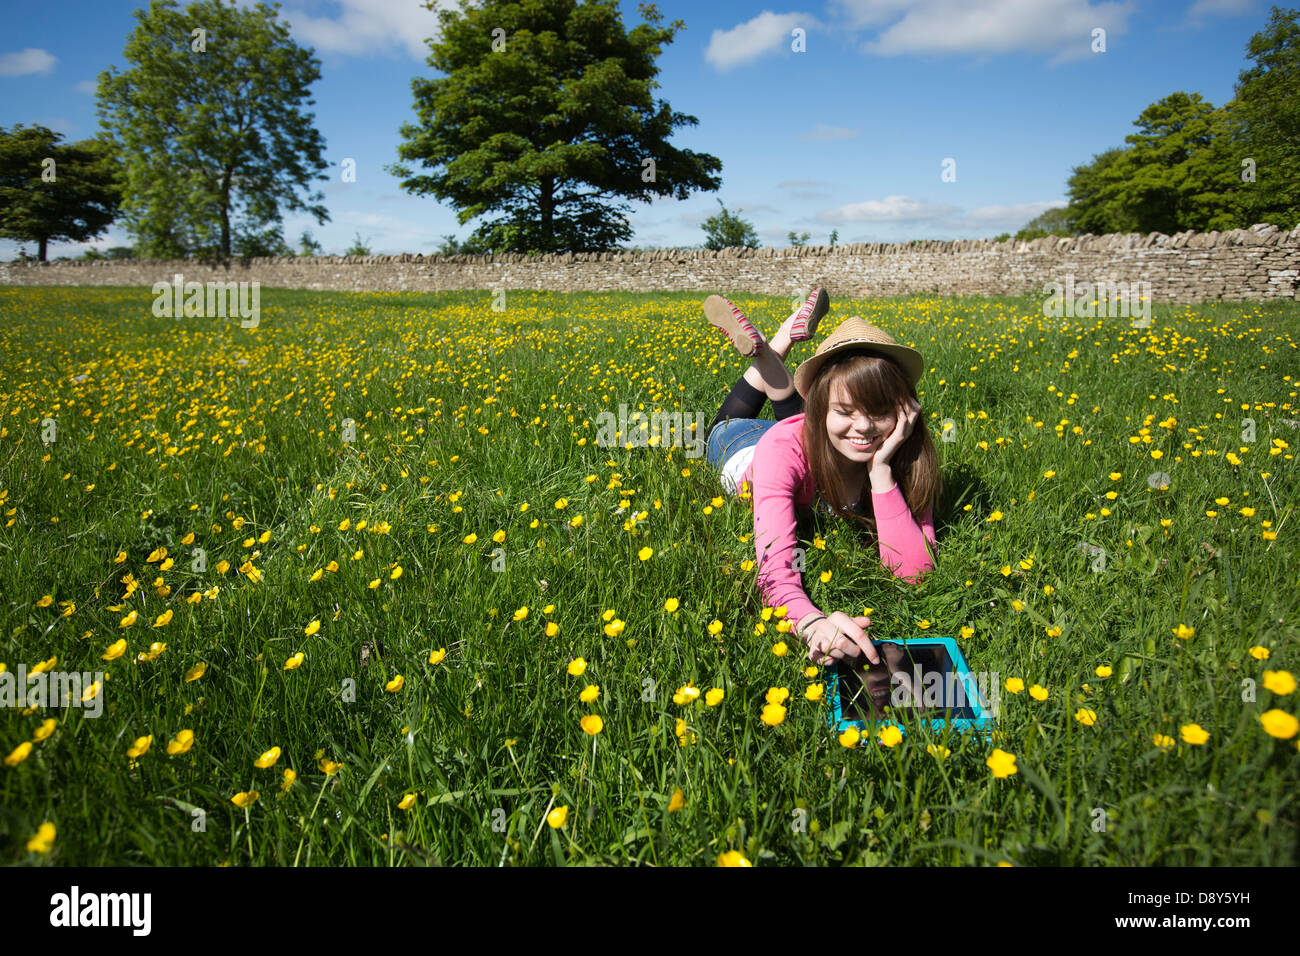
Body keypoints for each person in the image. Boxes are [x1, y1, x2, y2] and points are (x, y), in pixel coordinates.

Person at [702, 289, 940, 670]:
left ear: (906, 411)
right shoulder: (781, 450)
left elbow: (914, 573)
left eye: (880, 411)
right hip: (743, 447)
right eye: (846, 410)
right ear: (822, 409)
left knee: (810, 424)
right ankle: (772, 347)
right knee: (714, 430)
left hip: (809, 434)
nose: (864, 427)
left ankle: (774, 345)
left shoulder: (905, 453)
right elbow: (773, 568)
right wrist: (811, 623)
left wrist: (881, 472)